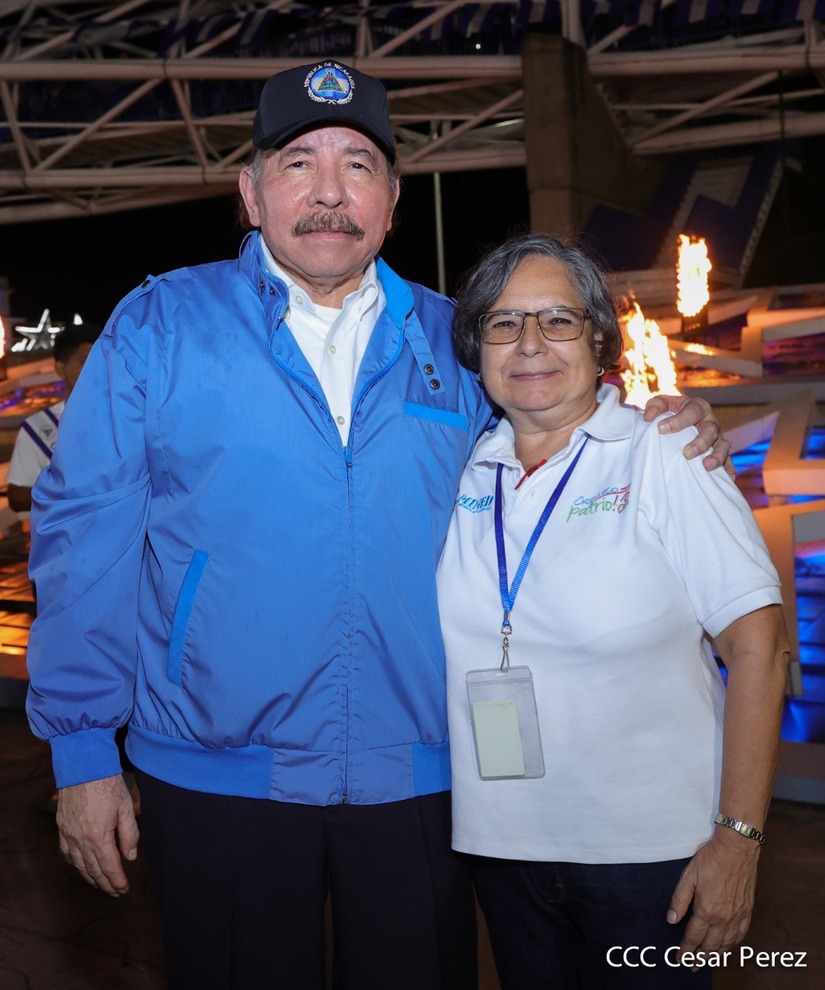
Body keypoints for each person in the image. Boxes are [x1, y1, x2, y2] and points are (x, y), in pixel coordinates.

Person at [25, 62, 728, 990]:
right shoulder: (159, 327)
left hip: (423, 784)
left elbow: (553, 441)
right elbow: (84, 538)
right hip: (218, 778)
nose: (327, 193)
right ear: (249, 192)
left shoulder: (454, 343)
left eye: (357, 165)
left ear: (391, 201)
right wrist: (82, 754)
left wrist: (660, 426)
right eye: (296, 163)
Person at [437, 232, 791, 989]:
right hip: (503, 851)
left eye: (558, 320)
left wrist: (738, 841)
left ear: (600, 340)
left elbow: (758, 644)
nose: (529, 343)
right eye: (503, 323)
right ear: (477, 347)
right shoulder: (463, 466)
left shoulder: (661, 452)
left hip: (650, 861)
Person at [6, 321, 102, 514]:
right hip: (67, 540)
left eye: (101, 358)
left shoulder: (127, 416)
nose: (96, 368)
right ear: (60, 369)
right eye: (85, 361)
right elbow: (16, 497)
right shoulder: (37, 427)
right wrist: (69, 491)